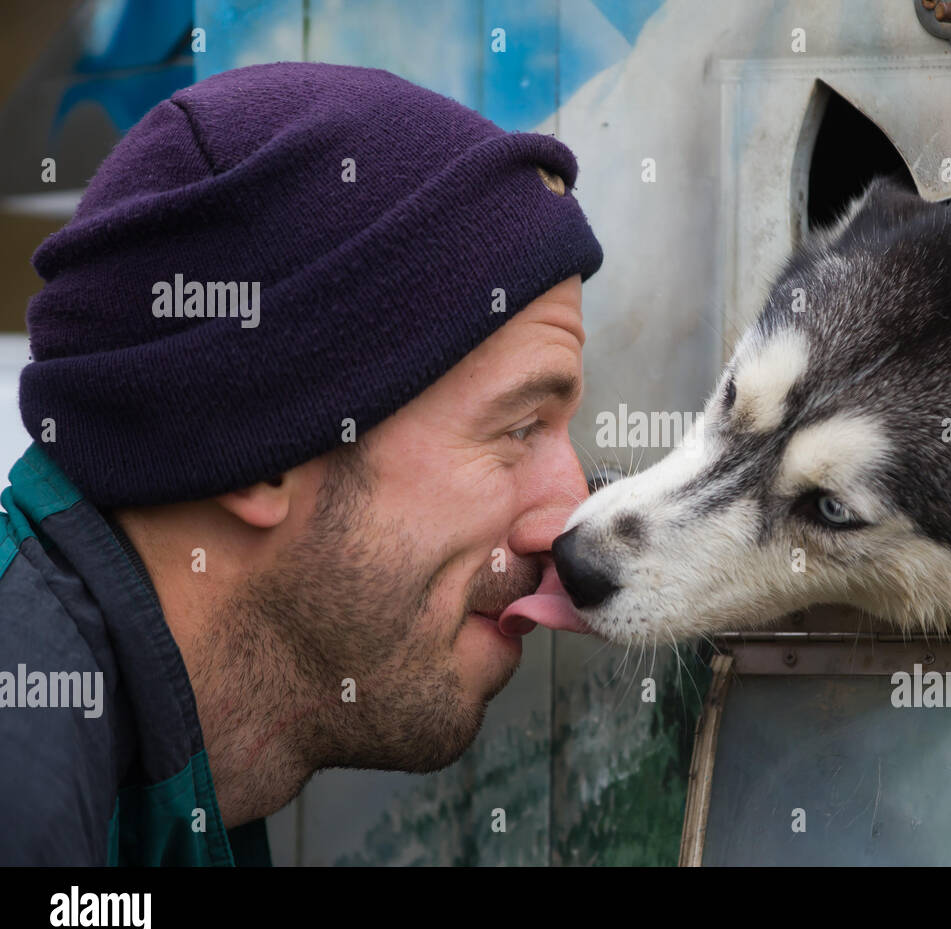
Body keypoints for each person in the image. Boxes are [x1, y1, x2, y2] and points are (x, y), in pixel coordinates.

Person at [0, 61, 600, 865]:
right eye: (520, 427)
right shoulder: (27, 786)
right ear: (258, 453)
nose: (568, 513)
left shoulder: (165, 787)